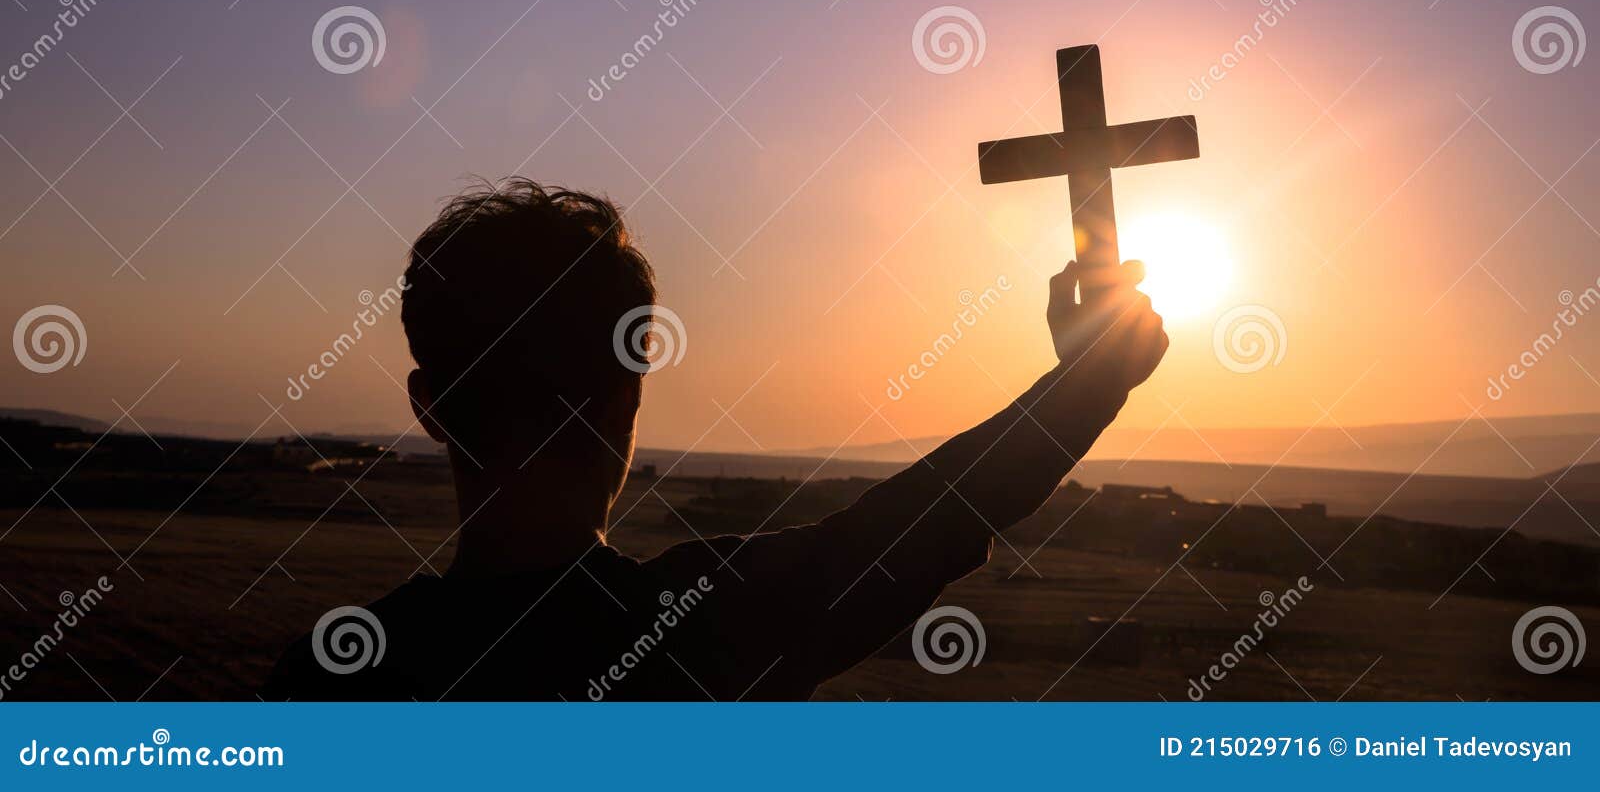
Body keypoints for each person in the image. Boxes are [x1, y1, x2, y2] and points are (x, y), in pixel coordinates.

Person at [263, 178, 1166, 699]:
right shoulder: (704, 632)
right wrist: (1086, 385)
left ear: (431, 406)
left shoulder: (331, 678)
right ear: (628, 396)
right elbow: (922, 523)